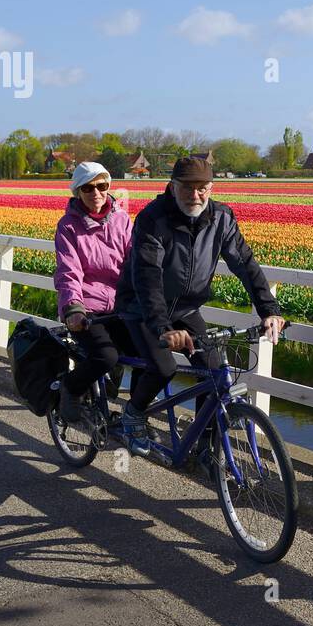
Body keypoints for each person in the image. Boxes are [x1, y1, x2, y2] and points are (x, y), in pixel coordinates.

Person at [115, 153, 284, 454]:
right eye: (187, 187)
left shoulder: (222, 218)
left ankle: (205, 449)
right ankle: (133, 413)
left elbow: (244, 263)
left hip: (186, 308)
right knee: (164, 366)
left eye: (202, 187)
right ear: (172, 186)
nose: (195, 195)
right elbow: (148, 277)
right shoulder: (153, 219)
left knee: (214, 371)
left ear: (212, 188)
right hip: (141, 308)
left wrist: (268, 310)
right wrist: (163, 328)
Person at [53, 161, 133, 421]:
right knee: (107, 356)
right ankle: (71, 388)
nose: (96, 193)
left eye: (101, 186)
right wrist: (73, 308)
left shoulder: (121, 219)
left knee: (152, 352)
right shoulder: (68, 226)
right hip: (88, 308)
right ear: (78, 192)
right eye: (88, 188)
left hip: (121, 305)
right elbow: (69, 270)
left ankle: (135, 416)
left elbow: (134, 262)